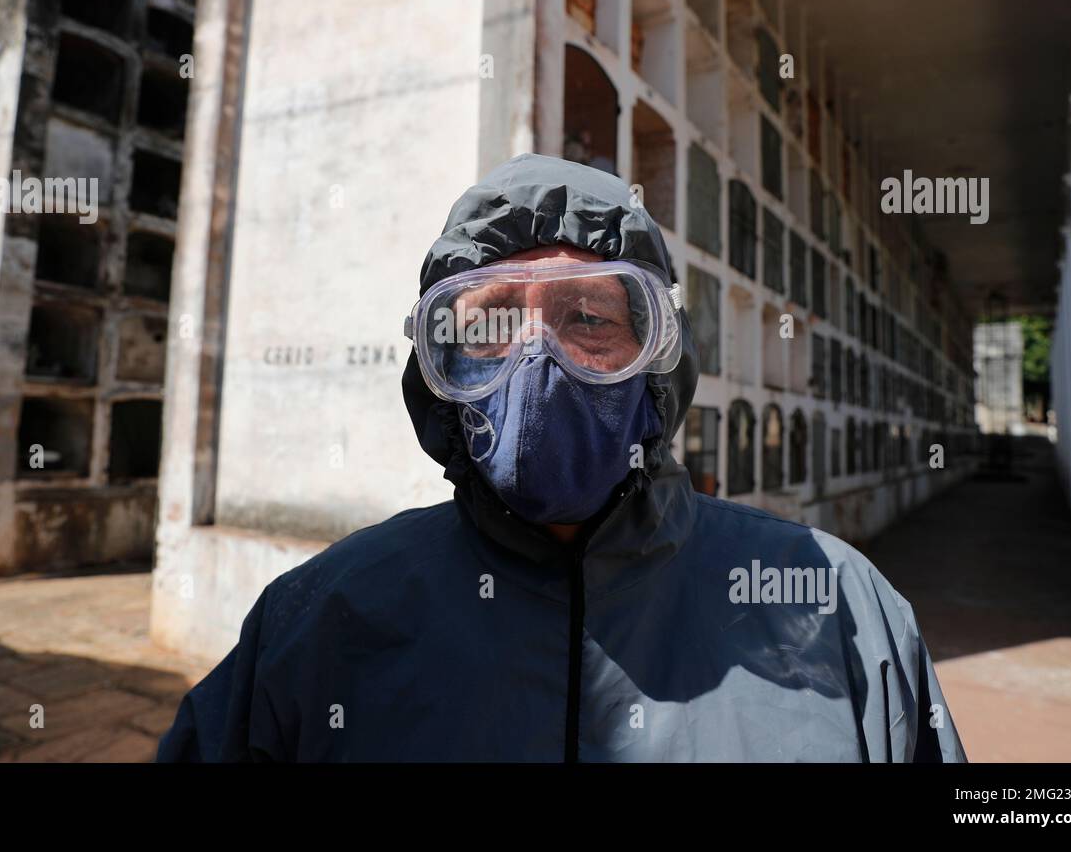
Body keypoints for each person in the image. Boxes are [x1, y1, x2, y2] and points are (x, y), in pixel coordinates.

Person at [157, 153, 967, 762]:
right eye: (489, 325)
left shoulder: (839, 608)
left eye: (589, 318)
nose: (538, 362)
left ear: (656, 362)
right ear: (440, 378)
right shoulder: (319, 619)